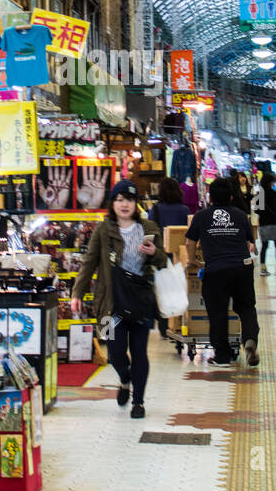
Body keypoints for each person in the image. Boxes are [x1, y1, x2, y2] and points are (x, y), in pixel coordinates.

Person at [70, 180, 162, 418]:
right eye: (119, 200)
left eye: (129, 200)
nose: (124, 204)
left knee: (140, 352)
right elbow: (89, 262)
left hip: (141, 301)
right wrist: (77, 293)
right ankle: (125, 380)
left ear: (136, 203)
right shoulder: (103, 230)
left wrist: (156, 253)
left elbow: (162, 263)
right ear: (113, 203)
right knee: (115, 354)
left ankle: (138, 402)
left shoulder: (149, 227)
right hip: (108, 305)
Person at [185, 177, 260, 368]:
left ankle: (223, 356)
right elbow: (249, 243)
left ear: (210, 197)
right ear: (231, 197)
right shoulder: (241, 215)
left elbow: (189, 242)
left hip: (216, 270)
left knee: (218, 312)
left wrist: (192, 260)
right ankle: (250, 340)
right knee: (246, 307)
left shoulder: (201, 216)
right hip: (242, 267)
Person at [149, 176, 191, 338]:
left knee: (161, 289)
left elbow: (150, 233)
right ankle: (177, 323)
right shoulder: (184, 210)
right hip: (179, 256)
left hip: (159, 256)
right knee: (177, 288)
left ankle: (163, 325)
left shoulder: (156, 210)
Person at [255, 172, 276, 273]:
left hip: (263, 222)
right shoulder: (273, 193)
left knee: (264, 246)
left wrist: (263, 213)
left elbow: (256, 210)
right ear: (270, 182)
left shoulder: (260, 194)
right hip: (274, 222)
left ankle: (263, 268)